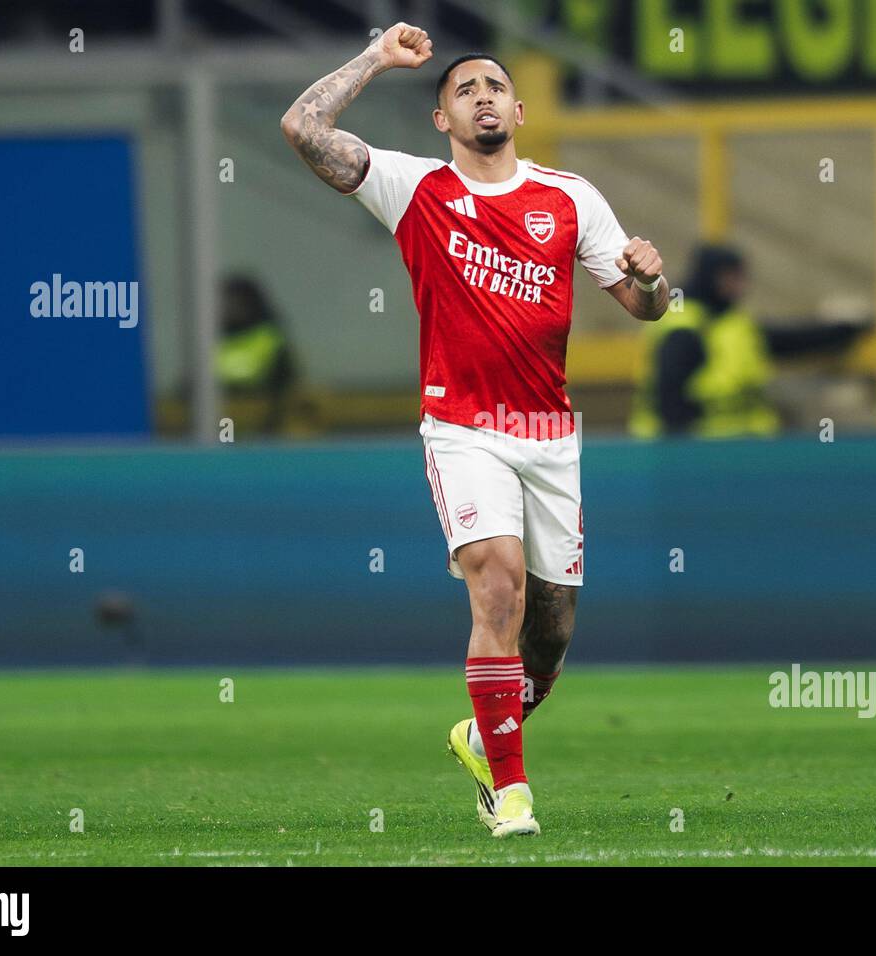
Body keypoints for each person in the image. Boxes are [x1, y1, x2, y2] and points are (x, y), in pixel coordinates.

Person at [280, 23, 668, 837]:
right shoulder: (414, 187)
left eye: (495, 86)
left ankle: (483, 738)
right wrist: (376, 57)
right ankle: (512, 794)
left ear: (519, 111)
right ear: (442, 120)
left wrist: (652, 282)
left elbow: (643, 308)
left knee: (551, 632)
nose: (482, 97)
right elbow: (303, 128)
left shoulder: (569, 197)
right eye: (465, 90)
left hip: (548, 434)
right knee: (498, 586)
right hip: (463, 427)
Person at [630, 244, 863, 438]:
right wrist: (683, 457)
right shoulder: (684, 329)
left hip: (739, 450)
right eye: (731, 277)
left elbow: (790, 341)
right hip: (701, 453)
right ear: (710, 277)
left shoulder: (733, 322)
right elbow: (670, 399)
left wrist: (846, 330)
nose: (741, 285)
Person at [216, 276, 295, 434]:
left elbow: (286, 384)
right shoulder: (208, 337)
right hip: (218, 419)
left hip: (262, 420)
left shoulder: (269, 337)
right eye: (226, 301)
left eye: (237, 301)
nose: (231, 307)